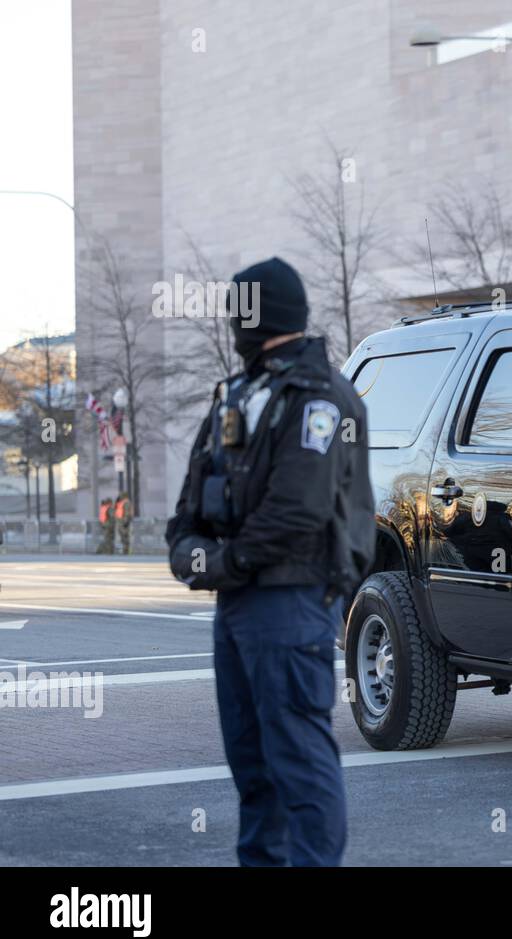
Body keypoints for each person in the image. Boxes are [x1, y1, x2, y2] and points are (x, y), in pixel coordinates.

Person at [165, 257, 374, 867]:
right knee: (252, 763)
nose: (234, 322)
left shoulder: (319, 399)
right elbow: (190, 498)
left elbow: (298, 510)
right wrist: (188, 550)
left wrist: (222, 562)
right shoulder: (239, 392)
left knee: (298, 763)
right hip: (239, 603)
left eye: (240, 309)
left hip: (290, 599)